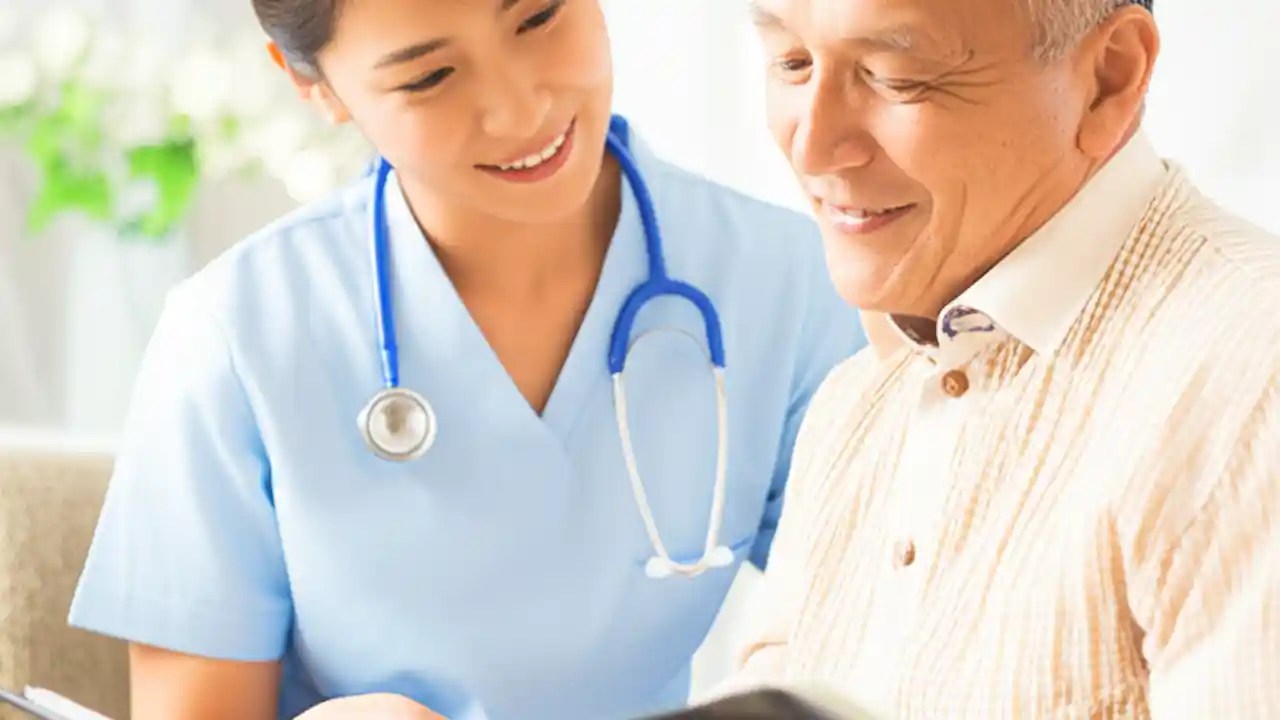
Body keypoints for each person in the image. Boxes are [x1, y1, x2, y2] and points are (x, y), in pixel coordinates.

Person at [65, 1, 866, 719]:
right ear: (319, 88)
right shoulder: (235, 334)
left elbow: (888, 635)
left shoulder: (790, 281)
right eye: (431, 76)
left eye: (540, 17)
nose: (520, 107)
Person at [730, 0, 1280, 717]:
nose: (812, 145)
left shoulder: (1248, 386)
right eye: (793, 63)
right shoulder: (855, 403)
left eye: (896, 77)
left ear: (1110, 78)